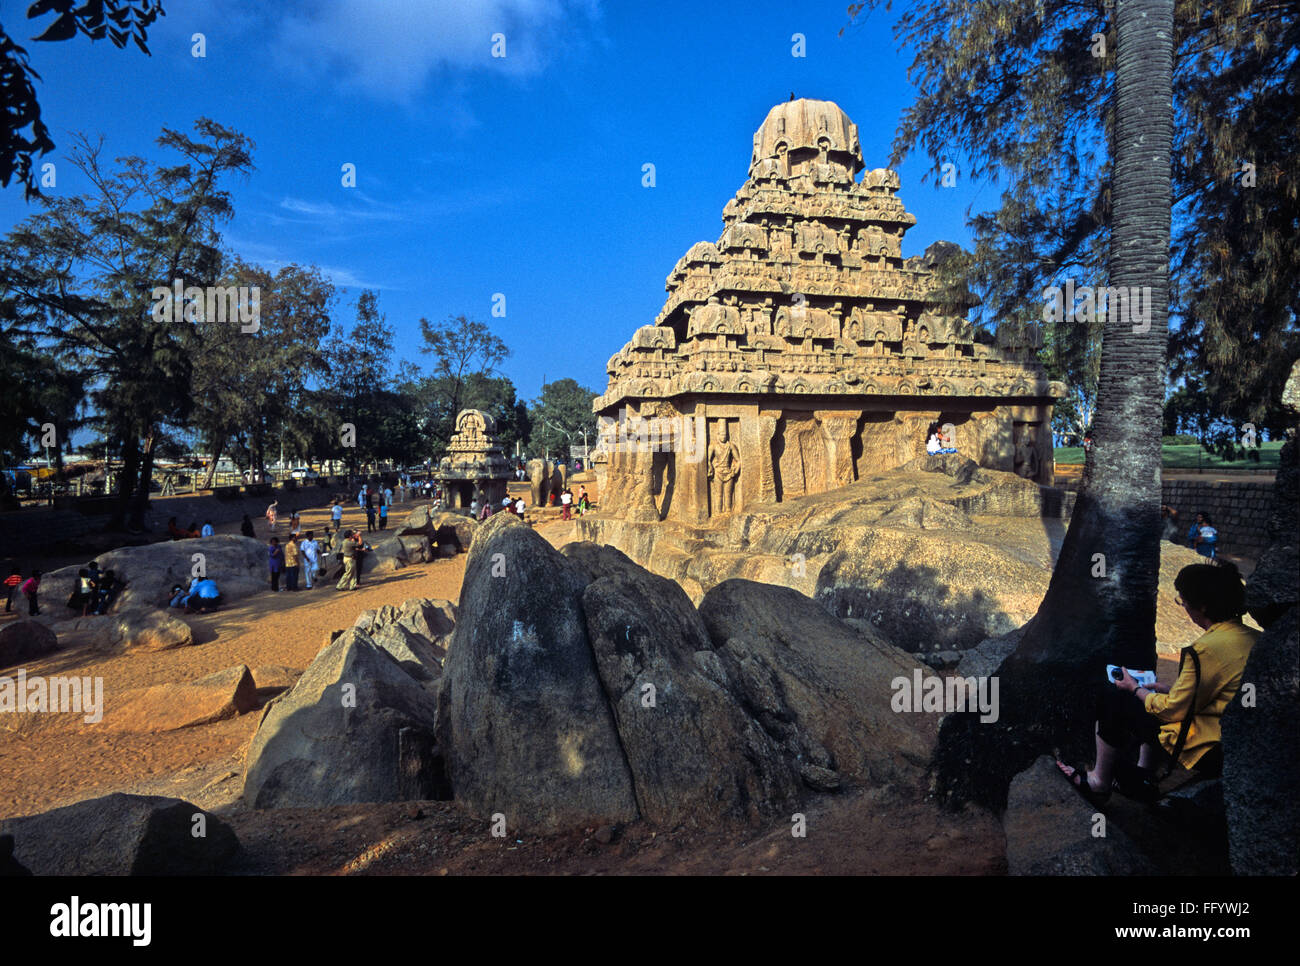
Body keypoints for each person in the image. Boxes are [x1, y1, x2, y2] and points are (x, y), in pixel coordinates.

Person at [1057, 563, 1259, 804]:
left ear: (1202, 606)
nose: (1183, 605)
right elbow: (1220, 694)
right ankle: (1145, 773)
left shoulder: (1205, 649)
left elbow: (1171, 710)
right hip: (1235, 739)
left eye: (1183, 600)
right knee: (1149, 699)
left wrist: (1136, 688)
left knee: (1114, 699)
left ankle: (1099, 782)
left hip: (1207, 747)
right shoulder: (1252, 638)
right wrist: (1169, 691)